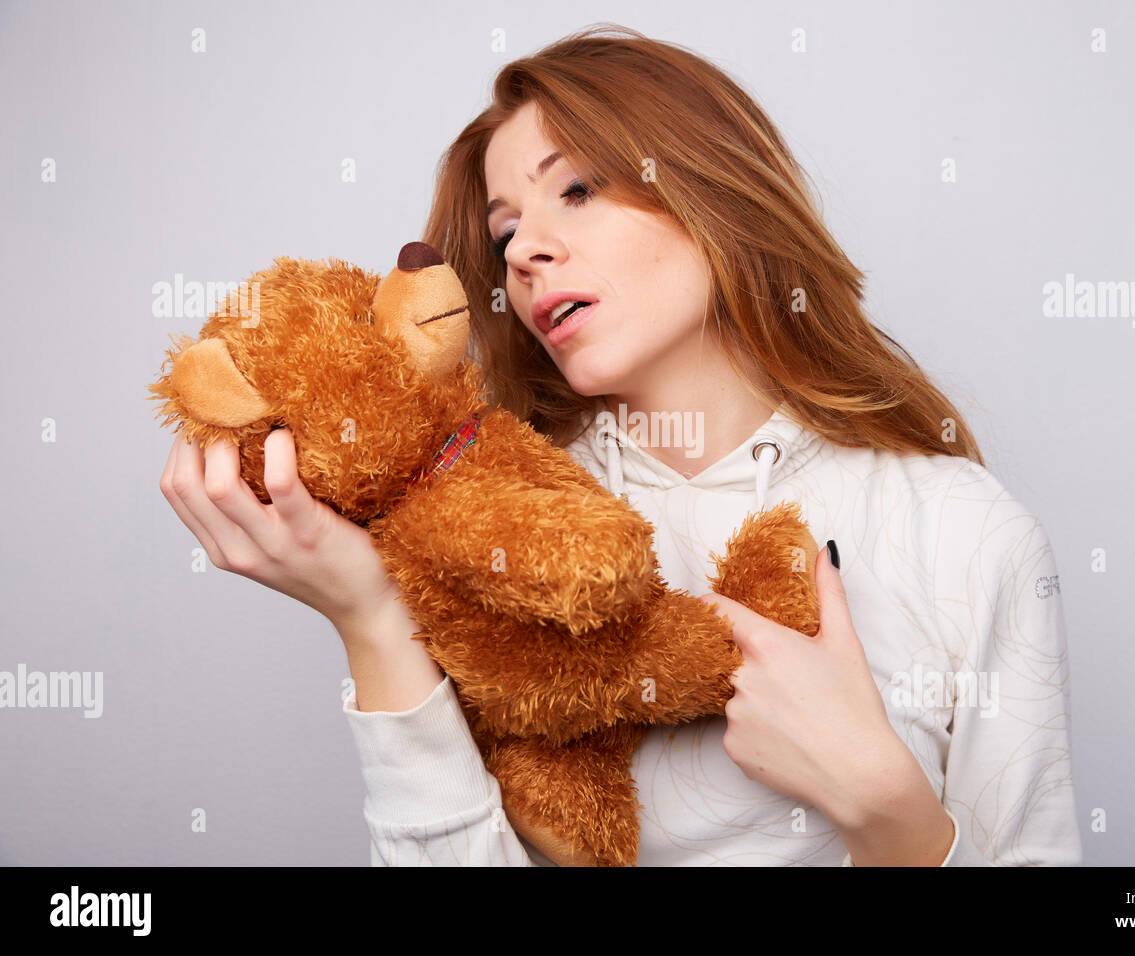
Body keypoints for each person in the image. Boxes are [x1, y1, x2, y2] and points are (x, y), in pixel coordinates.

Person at [158, 25, 1083, 867]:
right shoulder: (495, 521)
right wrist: (369, 620)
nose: (524, 254)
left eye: (578, 190)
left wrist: (885, 809)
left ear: (712, 186)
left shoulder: (965, 532)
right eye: (507, 230)